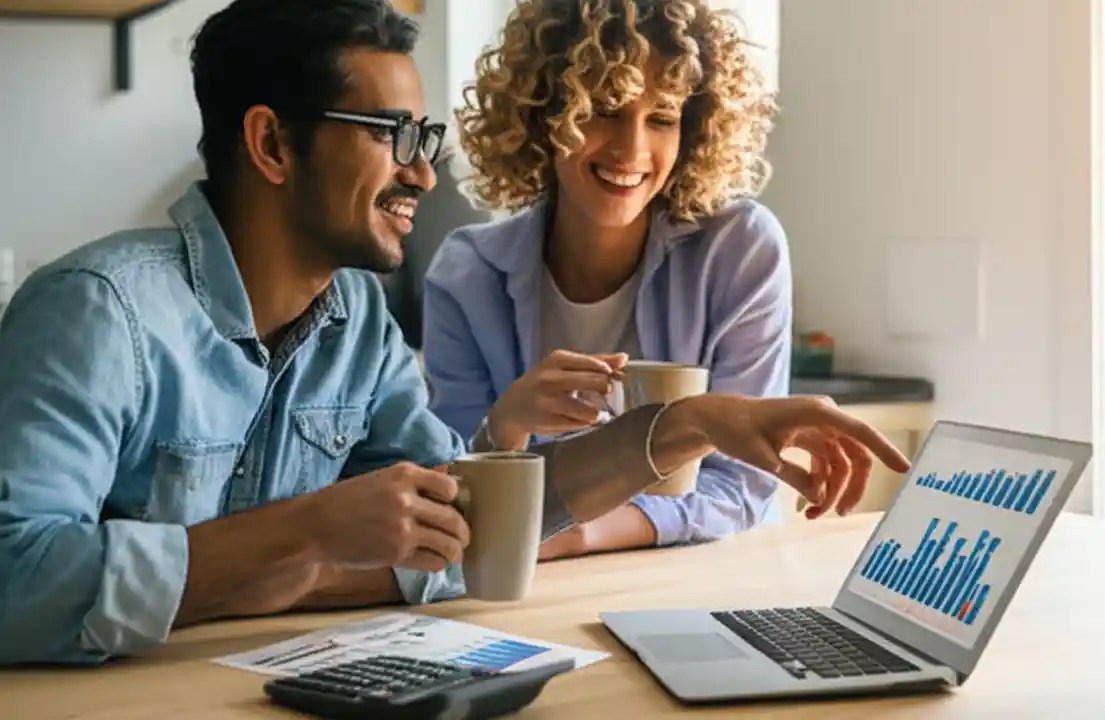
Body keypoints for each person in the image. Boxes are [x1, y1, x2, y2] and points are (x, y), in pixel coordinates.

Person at [0, 0, 909, 667]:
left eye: (423, 135)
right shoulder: (94, 311)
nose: (425, 175)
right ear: (273, 145)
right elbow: (13, 583)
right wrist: (309, 530)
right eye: (393, 135)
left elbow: (467, 520)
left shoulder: (357, 320)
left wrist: (688, 429)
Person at [424, 0, 792, 561]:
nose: (632, 151)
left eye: (662, 119)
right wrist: (506, 426)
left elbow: (740, 486)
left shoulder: (739, 250)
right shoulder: (466, 275)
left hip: (708, 571)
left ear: (693, 131)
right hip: (529, 588)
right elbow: (448, 492)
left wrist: (576, 532)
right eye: (604, 109)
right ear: (542, 114)